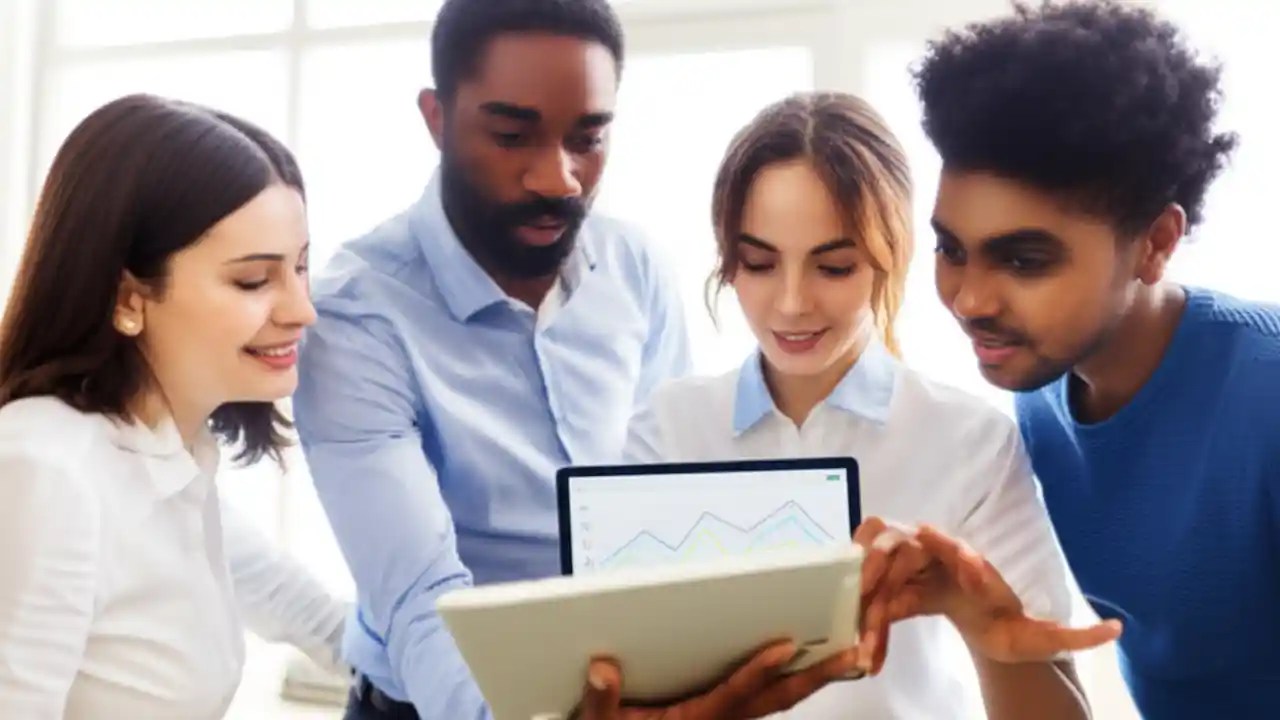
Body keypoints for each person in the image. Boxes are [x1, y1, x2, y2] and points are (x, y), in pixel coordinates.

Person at [292, 1, 856, 718]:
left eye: (587, 138)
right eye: (511, 136)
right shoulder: (354, 316)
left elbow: (672, 502)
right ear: (437, 118)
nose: (559, 179)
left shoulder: (635, 268)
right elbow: (418, 598)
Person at [621, 90, 1119, 719]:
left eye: (833, 267)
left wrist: (970, 613)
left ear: (890, 258)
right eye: (759, 263)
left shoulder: (971, 442)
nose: (792, 303)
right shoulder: (665, 431)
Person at [877, 1, 1279, 717]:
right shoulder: (1040, 397)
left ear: (1156, 243)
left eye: (1024, 260)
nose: (968, 298)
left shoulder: (1266, 395)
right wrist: (974, 616)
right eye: (951, 248)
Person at [0, 93, 347, 717]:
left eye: (300, 267)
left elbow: (315, 618)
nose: (302, 310)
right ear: (127, 298)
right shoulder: (48, 465)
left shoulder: (170, 460)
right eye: (254, 280)